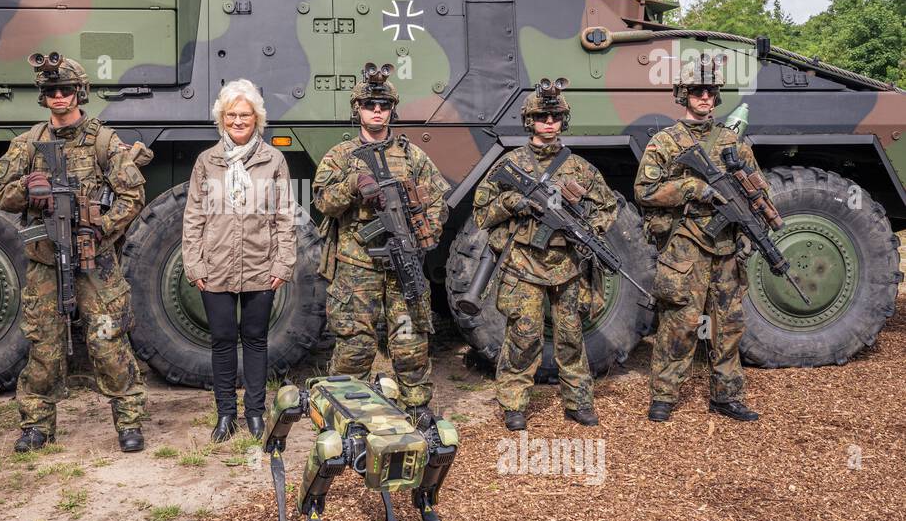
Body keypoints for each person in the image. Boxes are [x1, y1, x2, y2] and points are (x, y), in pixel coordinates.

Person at [0, 53, 153, 453]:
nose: (58, 97)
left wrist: (99, 229)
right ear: (43, 97)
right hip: (45, 262)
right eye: (50, 91)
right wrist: (29, 190)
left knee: (107, 339)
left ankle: (129, 421)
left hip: (94, 260)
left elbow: (133, 194)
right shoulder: (28, 144)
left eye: (65, 90)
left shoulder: (103, 141)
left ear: (79, 92)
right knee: (43, 343)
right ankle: (36, 425)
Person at [472, 78, 617, 430]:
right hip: (523, 264)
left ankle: (578, 402)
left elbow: (608, 208)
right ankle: (514, 404)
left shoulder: (580, 168)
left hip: (567, 266)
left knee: (570, 336)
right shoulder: (512, 164)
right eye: (541, 117)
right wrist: (514, 202)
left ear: (562, 121)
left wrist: (588, 229)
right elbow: (482, 211)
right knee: (523, 336)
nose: (548, 123)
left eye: (554, 117)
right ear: (529, 122)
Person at [636, 58, 771, 423]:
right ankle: (664, 395)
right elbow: (645, 191)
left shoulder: (733, 143)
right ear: (683, 95)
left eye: (711, 92)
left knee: (728, 324)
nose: (706, 97)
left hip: (726, 248)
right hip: (685, 245)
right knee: (680, 321)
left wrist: (752, 195)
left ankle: (726, 396)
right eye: (698, 91)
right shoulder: (666, 141)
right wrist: (692, 187)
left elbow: (758, 186)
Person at [311, 63, 449, 418]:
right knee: (355, 346)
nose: (377, 111)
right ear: (356, 108)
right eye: (370, 105)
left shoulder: (413, 156)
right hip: (357, 268)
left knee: (410, 342)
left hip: (403, 266)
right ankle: (341, 413)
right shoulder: (339, 157)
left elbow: (437, 202)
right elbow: (324, 203)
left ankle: (417, 409)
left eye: (384, 106)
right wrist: (353, 186)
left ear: (392, 110)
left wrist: (423, 232)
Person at [182, 79, 296, 442]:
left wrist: (283, 263)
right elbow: (193, 216)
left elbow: (285, 215)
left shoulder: (272, 160)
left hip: (261, 265)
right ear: (221, 118)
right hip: (216, 266)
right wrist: (195, 264)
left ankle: (256, 413)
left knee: (256, 339)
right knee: (222, 339)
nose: (238, 121)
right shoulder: (207, 162)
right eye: (231, 114)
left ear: (257, 118)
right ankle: (225, 414)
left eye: (245, 114)